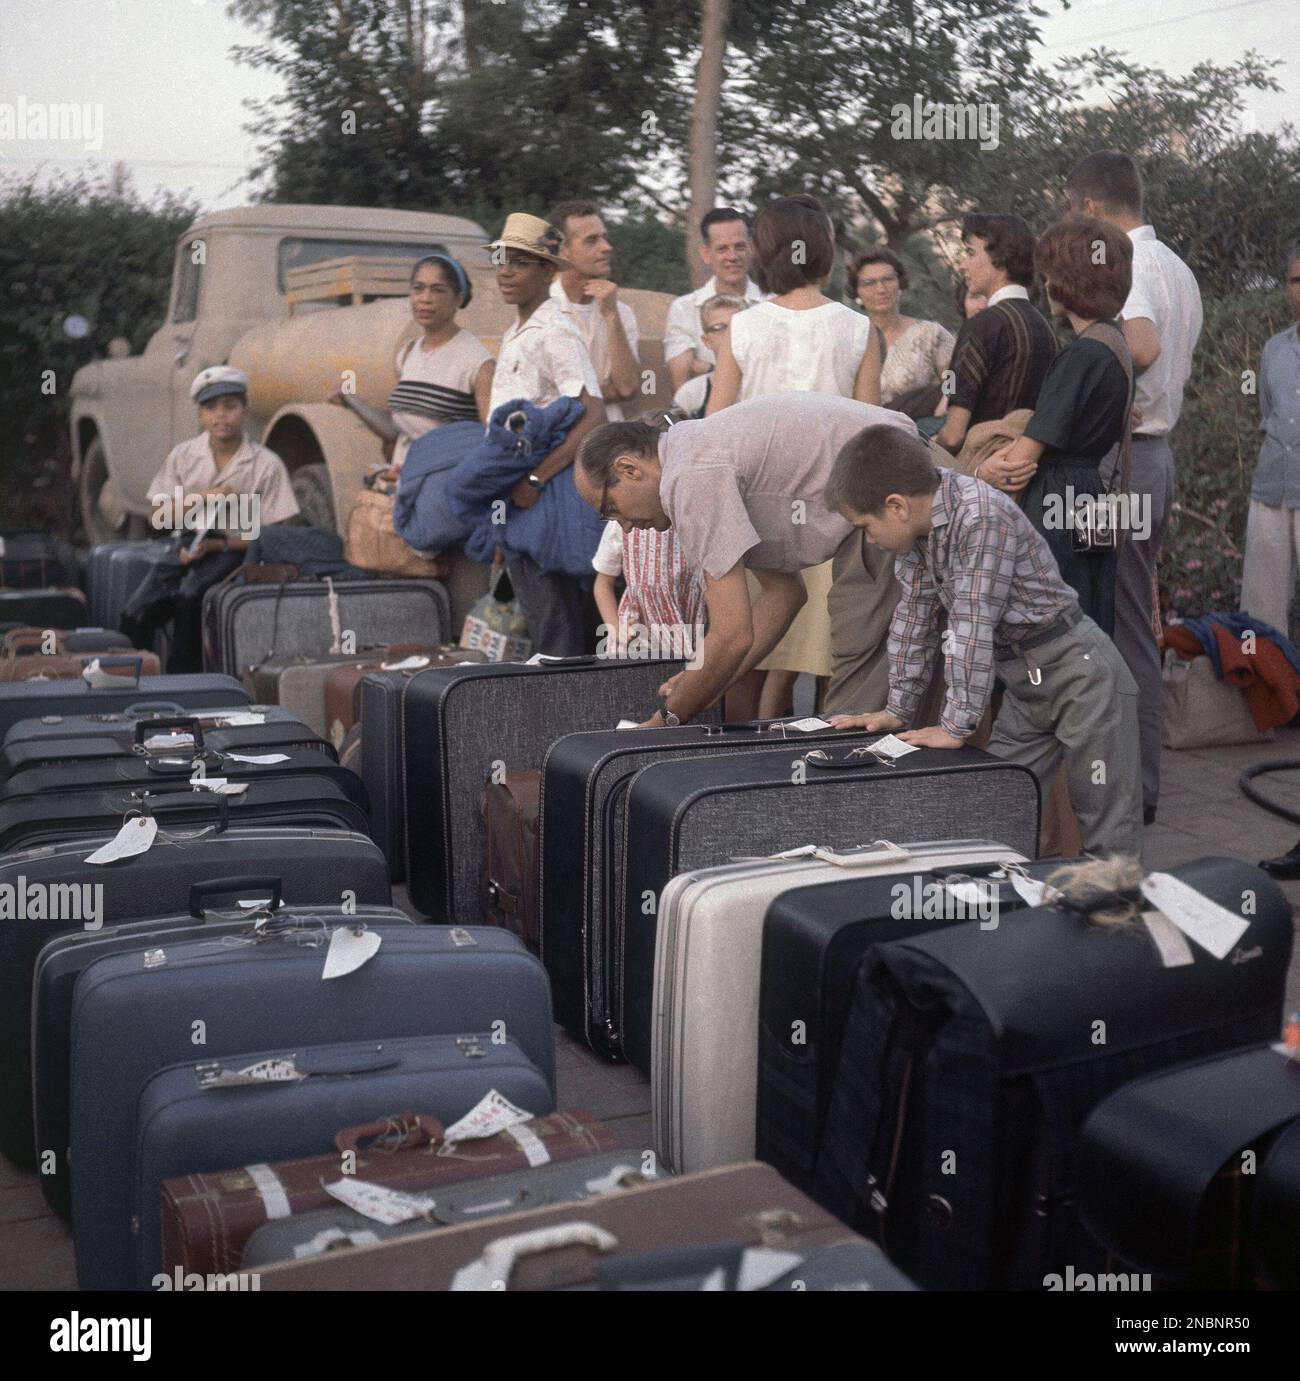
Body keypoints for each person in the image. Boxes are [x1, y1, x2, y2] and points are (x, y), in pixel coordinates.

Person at [823, 426, 1142, 858]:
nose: (869, 539)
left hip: (1079, 670)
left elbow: (972, 624)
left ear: (895, 506)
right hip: (1026, 684)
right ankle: (1004, 911)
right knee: (1000, 804)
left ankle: (1118, 913)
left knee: (1106, 821)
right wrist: (898, 709)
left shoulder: (980, 515)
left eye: (865, 526)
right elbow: (913, 618)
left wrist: (956, 726)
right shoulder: (919, 536)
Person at [573, 393, 918, 726]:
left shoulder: (689, 476)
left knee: (855, 703)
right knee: (872, 684)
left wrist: (664, 721)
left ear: (629, 469)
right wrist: (706, 680)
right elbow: (783, 595)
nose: (627, 528)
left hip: (894, 482)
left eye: (612, 510)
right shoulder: (693, 453)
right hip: (897, 471)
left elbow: (732, 633)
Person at [706, 194, 884, 717]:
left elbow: (716, 426)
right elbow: (870, 431)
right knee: (836, 654)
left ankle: (735, 773)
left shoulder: (742, 326)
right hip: (837, 512)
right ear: (824, 251)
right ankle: (826, 773)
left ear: (764, 252)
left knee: (748, 646)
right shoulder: (857, 328)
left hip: (756, 510)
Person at [1067, 150, 1204, 825]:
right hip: (1156, 455)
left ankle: (1126, 788)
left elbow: (1141, 346)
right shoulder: (1174, 265)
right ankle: (1137, 784)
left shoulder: (1127, 264)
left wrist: (1088, 389)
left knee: (1113, 626)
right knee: (1133, 623)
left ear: (1091, 207)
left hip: (1126, 453)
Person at [975, 214, 1135, 634]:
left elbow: (1021, 461)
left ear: (1069, 280)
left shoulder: (1081, 356)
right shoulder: (1114, 340)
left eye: (1050, 275)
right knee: (1086, 626)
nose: (1045, 285)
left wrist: (977, 470)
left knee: (1045, 632)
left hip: (1056, 501)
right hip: (1092, 499)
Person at [121, 366, 299, 671]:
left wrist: (217, 547)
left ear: (245, 410)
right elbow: (159, 517)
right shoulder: (184, 455)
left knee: (191, 600)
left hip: (236, 550)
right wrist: (205, 497)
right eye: (210, 407)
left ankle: (185, 684)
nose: (221, 416)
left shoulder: (266, 464)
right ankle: (133, 681)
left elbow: (273, 539)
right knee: (135, 613)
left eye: (230, 406)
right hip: (187, 544)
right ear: (200, 415)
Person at [486, 212, 608, 655]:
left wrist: (537, 479)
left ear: (546, 271)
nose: (505, 272)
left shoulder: (555, 331)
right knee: (545, 623)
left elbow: (593, 413)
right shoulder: (517, 331)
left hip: (549, 494)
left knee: (559, 633)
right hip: (521, 491)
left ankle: (568, 718)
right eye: (502, 260)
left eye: (519, 262)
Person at [329, 254, 493, 477]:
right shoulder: (407, 353)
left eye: (438, 290)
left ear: (458, 298)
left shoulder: (477, 363)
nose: (425, 299)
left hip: (445, 486)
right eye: (418, 289)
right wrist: (352, 401)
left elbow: (490, 442)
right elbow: (400, 430)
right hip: (405, 483)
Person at [935, 213, 1058, 456]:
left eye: (971, 253)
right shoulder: (1045, 328)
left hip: (980, 473)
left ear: (1001, 259)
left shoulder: (981, 325)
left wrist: (924, 450)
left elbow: (952, 436)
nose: (963, 265)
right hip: (1028, 472)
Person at [1241, 246, 1300, 635]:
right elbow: (1268, 414)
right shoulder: (1274, 349)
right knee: (1262, 613)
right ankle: (1269, 692)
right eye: (1296, 280)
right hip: (1272, 492)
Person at [546, 200, 642, 421]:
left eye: (604, 237)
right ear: (564, 251)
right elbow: (546, 396)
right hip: (554, 433)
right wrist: (608, 389)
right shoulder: (544, 308)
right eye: (592, 240)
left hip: (610, 436)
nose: (606, 247)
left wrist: (610, 316)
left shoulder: (621, 312)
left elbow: (627, 388)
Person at [663, 208, 766, 392]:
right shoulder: (684, 309)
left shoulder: (771, 304)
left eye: (739, 246)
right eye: (722, 249)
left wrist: (706, 368)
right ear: (706, 254)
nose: (732, 257)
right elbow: (682, 380)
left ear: (751, 248)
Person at [849, 246, 954, 407]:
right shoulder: (849, 342)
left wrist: (947, 400)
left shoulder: (931, 334)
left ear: (900, 283)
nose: (881, 289)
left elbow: (955, 381)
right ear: (857, 292)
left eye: (888, 279)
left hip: (920, 429)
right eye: (869, 283)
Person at [672, 294, 750, 417]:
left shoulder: (769, 382)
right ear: (706, 341)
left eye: (737, 325)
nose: (731, 333)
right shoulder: (690, 394)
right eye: (720, 328)